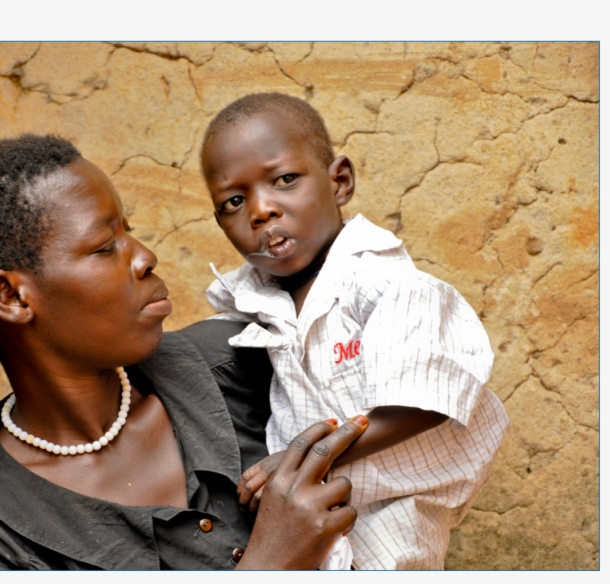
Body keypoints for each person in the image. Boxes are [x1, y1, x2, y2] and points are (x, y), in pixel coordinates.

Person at [0, 134, 366, 570]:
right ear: (12, 296)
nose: (145, 256)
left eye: (129, 231)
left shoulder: (243, 359)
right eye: (106, 246)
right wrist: (272, 561)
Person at [201, 93, 510, 570]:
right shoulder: (256, 304)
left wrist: (305, 459)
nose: (261, 211)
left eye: (285, 180)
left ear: (339, 181)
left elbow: (423, 400)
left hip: (397, 503)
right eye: (233, 202)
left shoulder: (384, 284)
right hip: (310, 517)